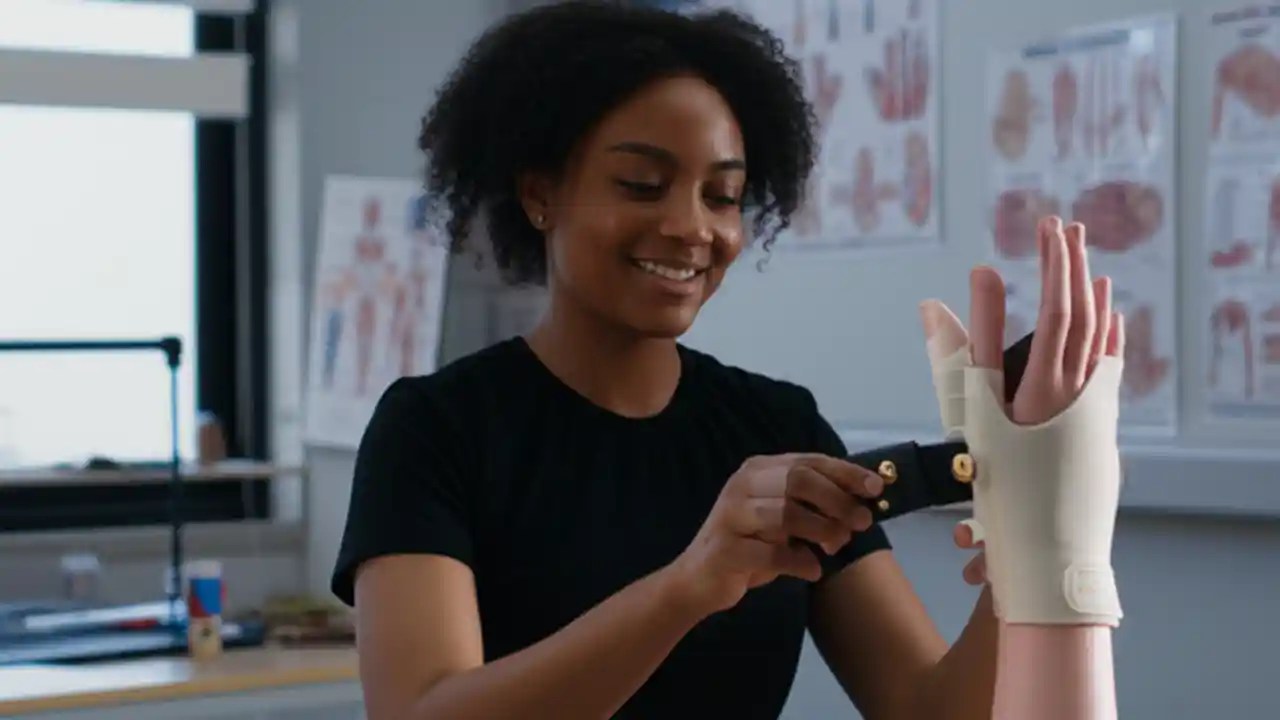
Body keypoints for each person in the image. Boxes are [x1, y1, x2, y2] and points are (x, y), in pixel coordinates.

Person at [330, 3, 1125, 718]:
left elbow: (926, 710)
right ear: (541, 194)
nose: (690, 227)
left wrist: (1036, 556)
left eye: (722, 196)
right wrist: (689, 587)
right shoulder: (435, 429)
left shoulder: (776, 425)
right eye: (642, 185)